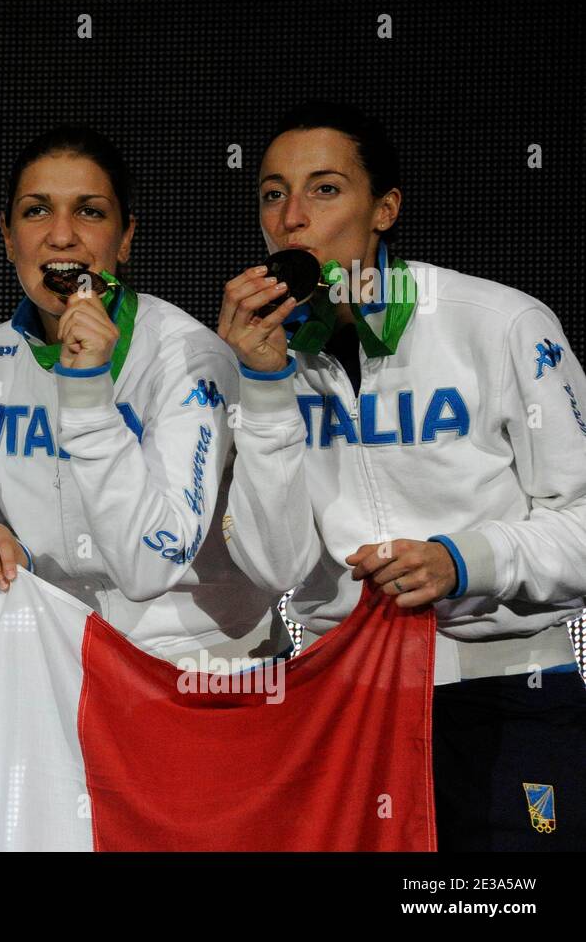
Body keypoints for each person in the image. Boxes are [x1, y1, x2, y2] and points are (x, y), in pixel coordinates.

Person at [218, 100, 586, 849]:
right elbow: (275, 565)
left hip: (508, 696)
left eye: (325, 189)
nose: (292, 218)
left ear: (384, 207)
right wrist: (259, 389)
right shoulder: (256, 362)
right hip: (344, 704)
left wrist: (462, 560)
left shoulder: (501, 323)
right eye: (272, 194)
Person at [0, 125, 286, 666]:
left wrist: (86, 394)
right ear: (8, 236)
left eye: (89, 211)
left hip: (197, 666)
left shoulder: (189, 357)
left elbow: (149, 568)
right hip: (59, 659)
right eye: (37, 211)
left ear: (126, 237)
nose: (61, 236)